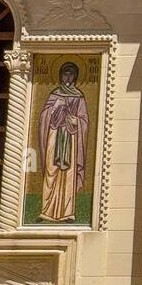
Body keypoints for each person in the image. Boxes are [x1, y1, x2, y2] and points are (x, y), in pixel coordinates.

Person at [37, 61, 89, 222]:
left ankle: (68, 213)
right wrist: (54, 109)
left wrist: (73, 119)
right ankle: (46, 210)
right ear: (60, 75)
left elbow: (84, 120)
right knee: (51, 169)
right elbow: (44, 117)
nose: (68, 77)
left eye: (71, 74)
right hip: (54, 134)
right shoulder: (54, 94)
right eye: (65, 74)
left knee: (68, 174)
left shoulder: (78, 96)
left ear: (75, 76)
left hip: (70, 138)